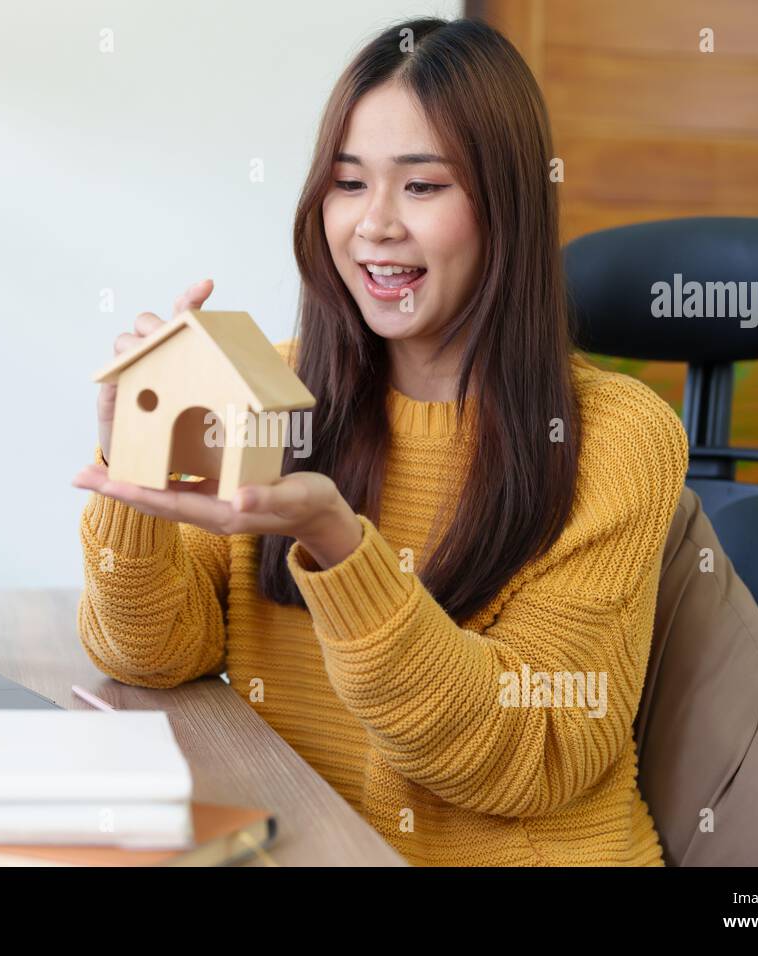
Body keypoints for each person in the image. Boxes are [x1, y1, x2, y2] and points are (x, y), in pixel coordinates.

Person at [71, 16, 687, 866]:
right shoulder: (278, 390)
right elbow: (150, 655)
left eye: (423, 186)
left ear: (505, 204)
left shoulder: (615, 437)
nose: (375, 225)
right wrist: (136, 458)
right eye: (349, 183)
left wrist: (338, 544)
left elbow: (532, 754)